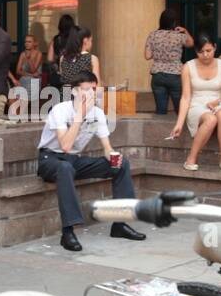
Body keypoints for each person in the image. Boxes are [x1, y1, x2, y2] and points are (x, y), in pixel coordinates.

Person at [36, 71, 146, 252]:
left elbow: (107, 147)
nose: (91, 94)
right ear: (74, 92)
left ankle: (119, 224)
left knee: (121, 165)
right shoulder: (60, 110)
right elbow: (65, 145)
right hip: (50, 160)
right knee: (64, 167)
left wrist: (112, 155)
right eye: (86, 90)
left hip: (73, 161)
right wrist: (80, 115)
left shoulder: (98, 114)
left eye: (94, 89)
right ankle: (68, 231)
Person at [170, 38, 221, 172]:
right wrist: (179, 124)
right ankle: (191, 158)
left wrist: (217, 102)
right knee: (211, 119)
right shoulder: (188, 66)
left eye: (209, 50)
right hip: (196, 105)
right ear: (195, 51)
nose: (205, 55)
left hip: (218, 102)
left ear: (215, 47)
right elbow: (186, 97)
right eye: (201, 52)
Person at [144, 9, 193, 115]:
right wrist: (185, 31)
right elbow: (191, 44)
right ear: (174, 22)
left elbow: (147, 56)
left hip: (158, 75)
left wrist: (158, 52)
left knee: (160, 111)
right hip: (175, 75)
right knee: (180, 110)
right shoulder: (179, 35)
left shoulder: (153, 35)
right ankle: (180, 130)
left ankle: (160, 131)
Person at [15, 34, 43, 117]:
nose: (27, 43)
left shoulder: (39, 54)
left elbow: (33, 69)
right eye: (26, 42)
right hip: (24, 80)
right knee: (19, 98)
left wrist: (29, 58)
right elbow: (17, 71)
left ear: (34, 43)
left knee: (32, 85)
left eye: (29, 42)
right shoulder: (22, 54)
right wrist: (30, 75)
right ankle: (20, 117)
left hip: (34, 81)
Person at [47, 14, 75, 92]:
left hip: (58, 75)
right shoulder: (75, 40)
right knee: (69, 100)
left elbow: (49, 58)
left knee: (58, 100)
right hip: (72, 75)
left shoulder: (56, 39)